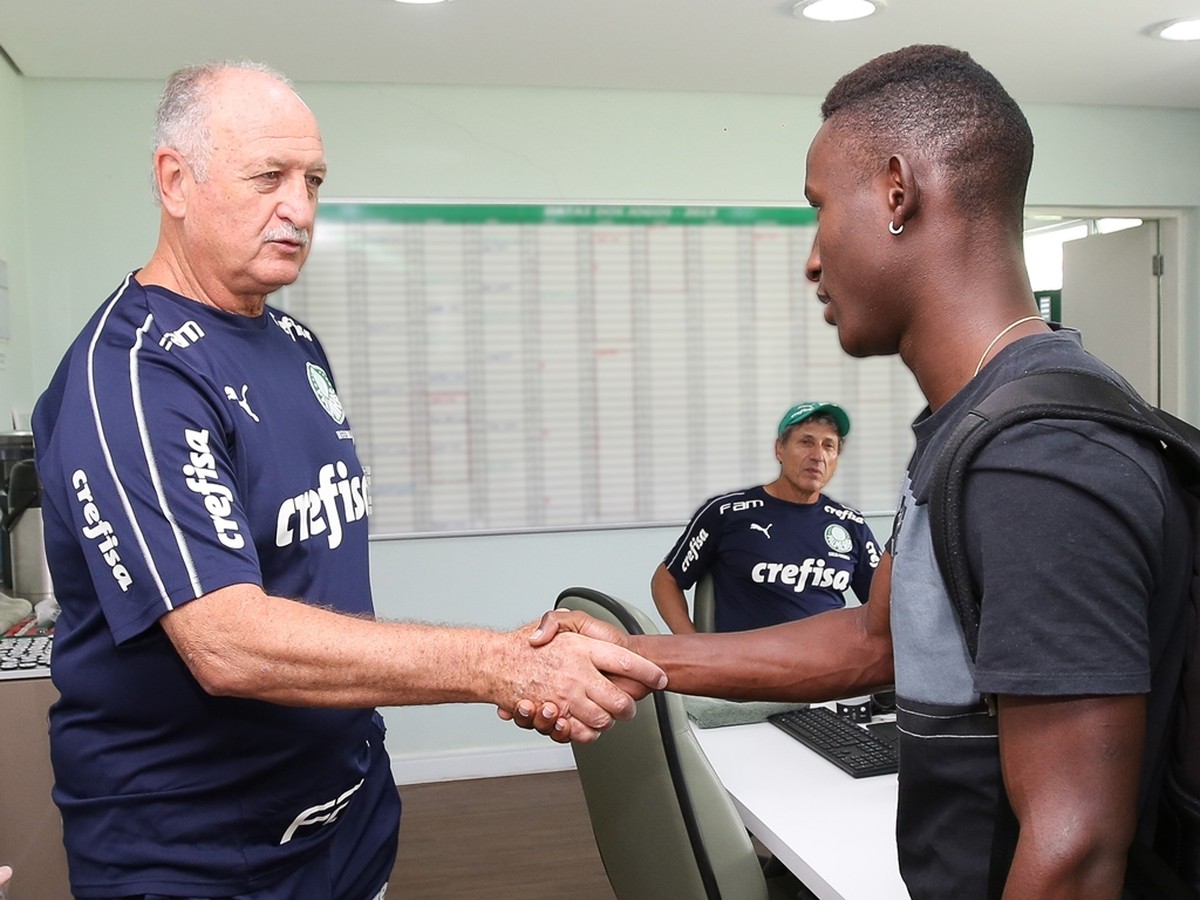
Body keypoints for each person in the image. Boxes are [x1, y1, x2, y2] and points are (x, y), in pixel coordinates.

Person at [514, 44, 1190, 899]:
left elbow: (1077, 850)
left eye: (819, 208)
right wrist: (637, 654)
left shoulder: (1037, 459)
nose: (811, 258)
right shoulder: (971, 427)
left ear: (897, 193)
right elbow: (873, 642)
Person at [31, 61, 665, 900]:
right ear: (174, 180)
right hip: (195, 855)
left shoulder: (294, 343)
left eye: (314, 179)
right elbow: (226, 641)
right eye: (268, 177)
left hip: (346, 821)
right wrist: (500, 665)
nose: (299, 206)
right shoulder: (134, 377)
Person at [651, 402, 880, 633]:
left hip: (829, 662)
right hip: (750, 663)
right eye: (806, 442)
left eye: (828, 446)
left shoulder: (851, 524)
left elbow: (886, 604)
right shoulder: (727, 512)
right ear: (779, 449)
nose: (818, 456)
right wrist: (693, 645)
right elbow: (666, 580)